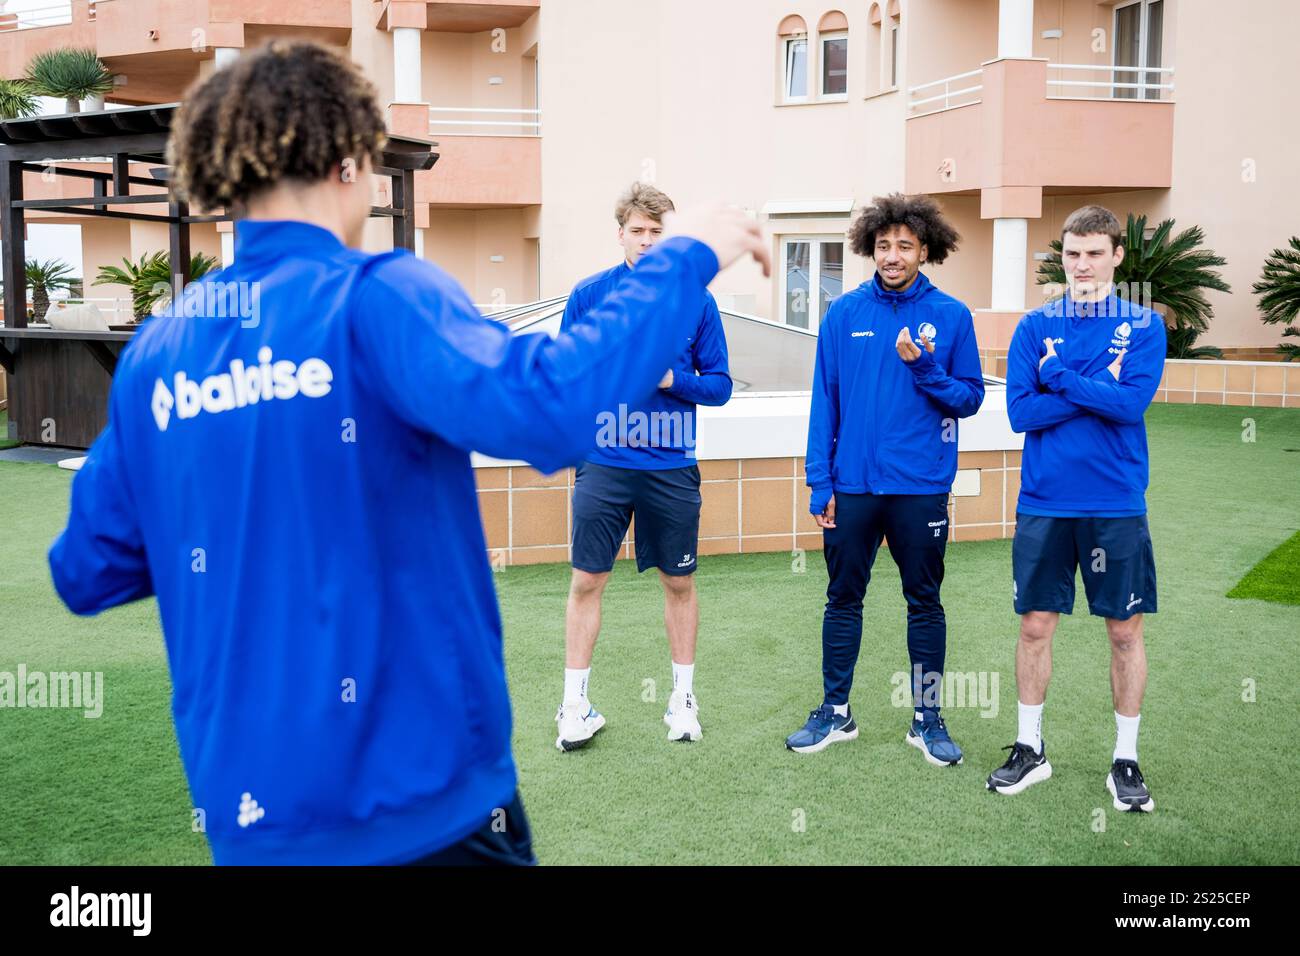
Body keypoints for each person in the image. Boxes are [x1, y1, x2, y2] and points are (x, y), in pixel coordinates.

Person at [46, 40, 768, 865]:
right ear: (352, 161)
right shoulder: (380, 297)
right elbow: (555, 407)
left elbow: (87, 571)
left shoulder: (157, 355)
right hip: (430, 821)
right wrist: (690, 254)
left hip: (256, 832)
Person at [785, 194, 984, 763]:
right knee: (842, 598)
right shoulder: (844, 313)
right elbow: (824, 402)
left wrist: (924, 366)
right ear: (869, 249)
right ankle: (835, 712)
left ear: (925, 249)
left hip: (919, 486)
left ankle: (927, 719)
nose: (892, 256)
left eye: (904, 246)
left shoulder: (951, 317)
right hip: (850, 489)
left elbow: (968, 398)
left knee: (924, 601)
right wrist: (819, 482)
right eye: (882, 246)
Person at [986, 204, 1164, 813]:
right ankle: (1029, 748)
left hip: (1114, 500)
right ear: (1060, 258)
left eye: (1094, 253)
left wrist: (1057, 376)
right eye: (1071, 254)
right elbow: (1020, 414)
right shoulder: (1034, 326)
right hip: (1045, 500)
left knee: (1123, 632)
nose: (1082, 265)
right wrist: (1093, 390)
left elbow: (1130, 405)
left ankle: (1125, 759)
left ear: (1117, 256)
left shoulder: (1142, 326)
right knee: (1035, 626)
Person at [555, 183, 732, 750]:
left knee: (678, 581)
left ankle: (682, 699)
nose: (649, 241)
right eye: (639, 231)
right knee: (587, 580)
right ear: (621, 233)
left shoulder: (697, 301)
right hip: (603, 461)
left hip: (671, 464)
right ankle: (574, 706)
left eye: (659, 232)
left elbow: (722, 386)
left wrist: (669, 380)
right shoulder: (590, 295)